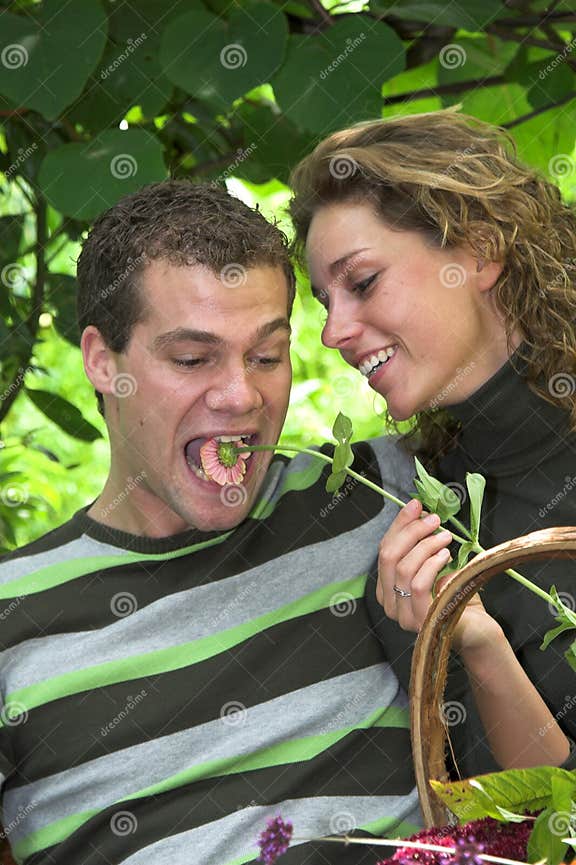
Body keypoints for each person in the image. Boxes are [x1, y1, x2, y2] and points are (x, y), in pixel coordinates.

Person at [0, 180, 567, 865]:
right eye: (192, 358)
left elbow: (524, 418)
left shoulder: (378, 497)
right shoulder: (13, 612)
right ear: (101, 360)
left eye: (267, 355)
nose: (241, 395)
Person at [289, 107, 576, 776]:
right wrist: (471, 638)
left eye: (361, 283)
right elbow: (522, 821)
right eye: (325, 301)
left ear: (478, 250)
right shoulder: (424, 549)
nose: (333, 333)